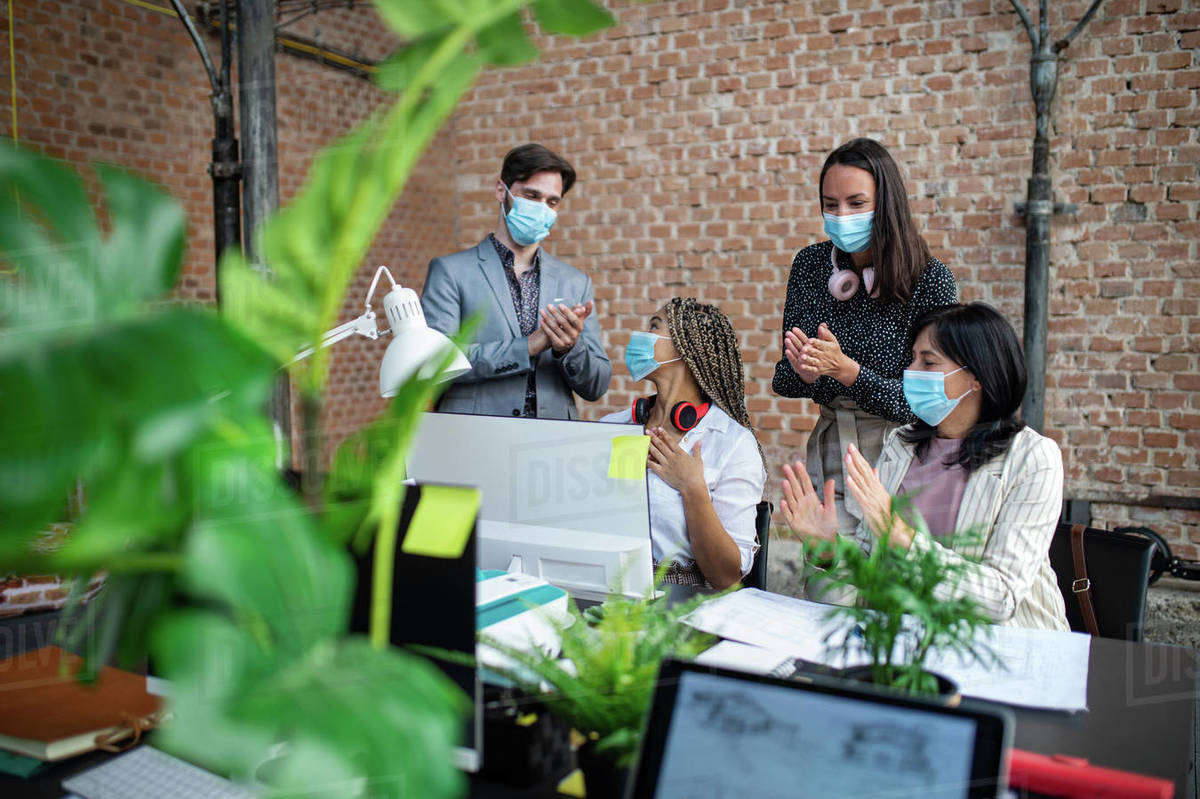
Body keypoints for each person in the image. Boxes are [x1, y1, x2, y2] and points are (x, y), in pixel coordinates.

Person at [780, 303, 1070, 631]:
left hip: (1008, 650)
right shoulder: (903, 445)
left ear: (977, 377)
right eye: (913, 360)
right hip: (908, 642)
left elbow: (1000, 597)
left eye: (928, 362)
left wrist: (899, 534)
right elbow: (871, 569)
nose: (912, 372)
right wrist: (828, 548)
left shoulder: (1033, 458)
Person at [772, 137, 958, 536]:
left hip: (902, 455)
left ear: (886, 202)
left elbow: (928, 403)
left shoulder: (930, 279)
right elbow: (781, 377)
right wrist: (805, 374)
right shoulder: (809, 266)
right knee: (827, 584)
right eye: (830, 204)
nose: (841, 215)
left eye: (856, 203)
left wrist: (848, 372)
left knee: (894, 589)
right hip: (831, 452)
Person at [421, 143, 610, 419]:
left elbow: (597, 385)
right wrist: (528, 346)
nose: (542, 208)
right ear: (502, 191)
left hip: (550, 444)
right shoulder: (450, 272)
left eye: (552, 202)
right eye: (531, 196)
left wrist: (570, 348)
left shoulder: (575, 283)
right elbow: (435, 364)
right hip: (476, 438)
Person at [600, 298, 766, 590]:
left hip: (683, 603)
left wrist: (692, 488)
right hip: (609, 589)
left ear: (685, 347)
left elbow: (727, 578)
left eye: (654, 326)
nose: (642, 336)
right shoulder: (616, 427)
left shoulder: (730, 444)